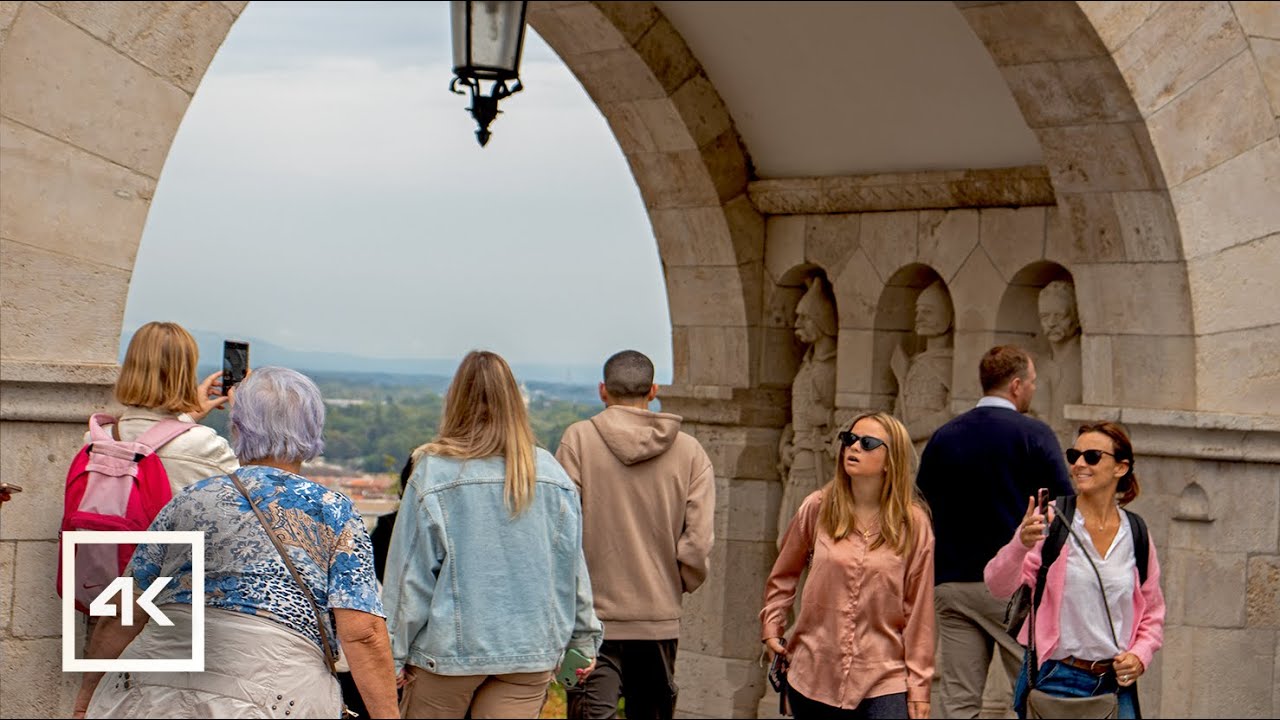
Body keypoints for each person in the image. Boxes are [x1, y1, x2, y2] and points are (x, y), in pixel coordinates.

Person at [72, 367, 398, 719]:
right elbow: (362, 633)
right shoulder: (333, 512)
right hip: (275, 688)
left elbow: (128, 608)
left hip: (152, 685)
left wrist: (86, 698)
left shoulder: (191, 500)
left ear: (237, 428)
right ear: (313, 430)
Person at [384, 350, 604, 719]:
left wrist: (391, 656)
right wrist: (583, 641)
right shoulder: (551, 474)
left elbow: (411, 579)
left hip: (448, 655)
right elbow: (572, 573)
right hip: (529, 653)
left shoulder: (433, 474)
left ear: (455, 400)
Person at [555, 350, 715, 720]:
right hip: (658, 618)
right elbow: (699, 540)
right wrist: (671, 586)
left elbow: (561, 533)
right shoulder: (690, 451)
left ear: (602, 391)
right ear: (654, 390)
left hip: (590, 619)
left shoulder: (577, 441)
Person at [915, 345, 1074, 718]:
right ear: (1016, 385)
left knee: (959, 702)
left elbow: (921, 504)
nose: (1034, 389)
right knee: (1034, 695)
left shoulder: (943, 436)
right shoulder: (1034, 433)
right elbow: (1066, 509)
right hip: (1011, 587)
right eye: (1032, 383)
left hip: (951, 584)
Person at [762, 411, 935, 720]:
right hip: (814, 672)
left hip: (884, 676)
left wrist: (919, 688)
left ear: (890, 459)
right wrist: (772, 625)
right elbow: (784, 574)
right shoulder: (818, 507)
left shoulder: (914, 523)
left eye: (867, 443)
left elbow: (919, 610)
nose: (854, 448)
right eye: (849, 439)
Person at [985, 421, 1165, 719]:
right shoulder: (1052, 520)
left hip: (1115, 686)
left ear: (1120, 468)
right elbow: (997, 585)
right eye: (1074, 455)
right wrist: (1021, 543)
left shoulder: (1136, 533)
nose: (1079, 464)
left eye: (1092, 456)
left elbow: (1153, 615)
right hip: (1056, 678)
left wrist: (1139, 656)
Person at [103, 321, 239, 493]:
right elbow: (256, 486)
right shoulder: (204, 445)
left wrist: (189, 417)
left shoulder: (98, 438)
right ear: (186, 374)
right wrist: (244, 416)